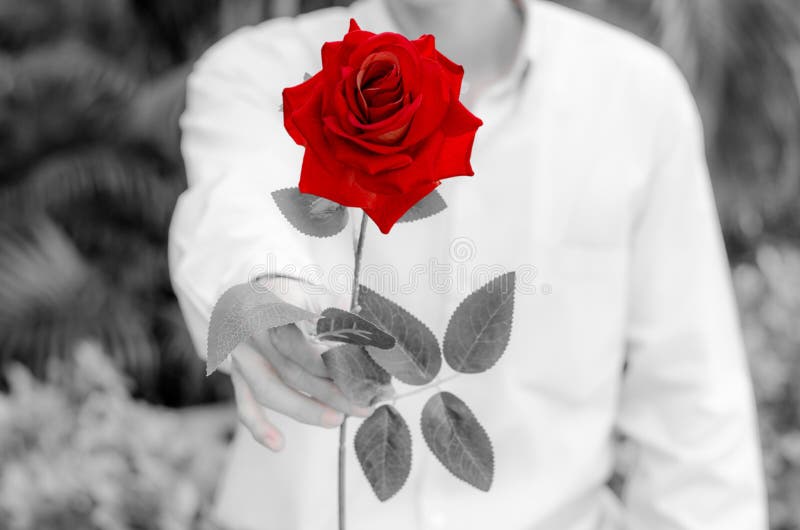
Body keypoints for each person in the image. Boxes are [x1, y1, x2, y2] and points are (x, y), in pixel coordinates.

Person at [168, 0, 768, 528]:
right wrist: (263, 296)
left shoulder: (636, 97)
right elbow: (231, 212)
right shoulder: (257, 72)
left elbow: (693, 404)